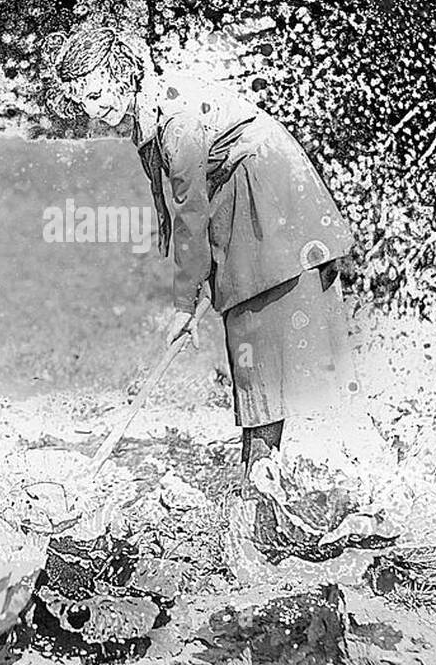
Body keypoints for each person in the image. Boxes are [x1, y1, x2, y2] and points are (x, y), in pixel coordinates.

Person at [49, 24, 363, 483]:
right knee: (251, 332)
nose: (93, 110)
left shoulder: (178, 123)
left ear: (122, 73)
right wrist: (192, 290)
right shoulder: (149, 110)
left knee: (259, 324)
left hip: (268, 196)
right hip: (245, 195)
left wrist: (184, 302)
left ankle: (265, 478)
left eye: (96, 93)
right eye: (82, 100)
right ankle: (260, 473)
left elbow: (189, 216)